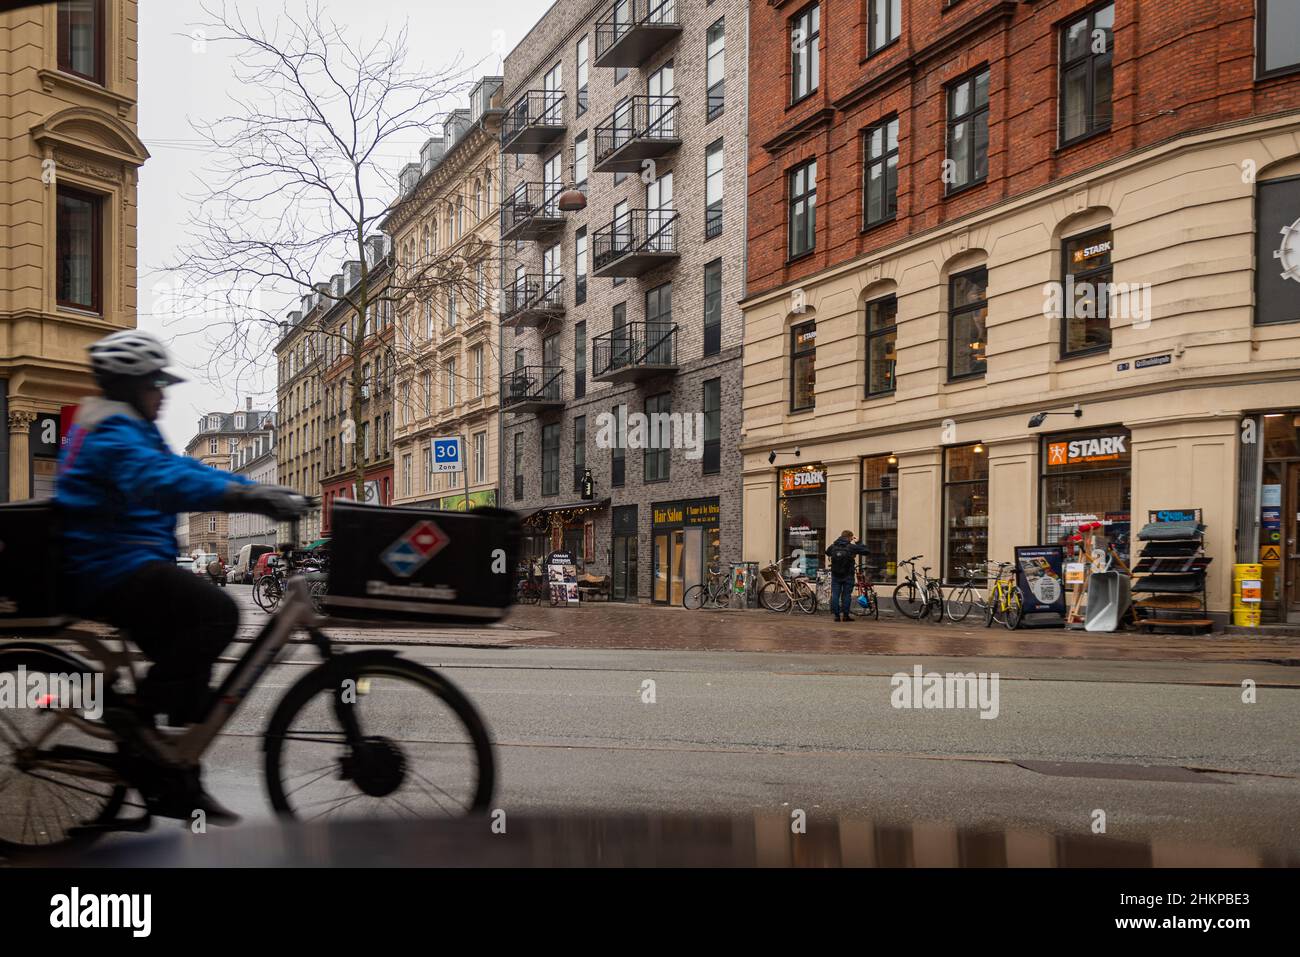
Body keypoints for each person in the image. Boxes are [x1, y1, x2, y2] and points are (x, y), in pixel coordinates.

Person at [56, 329, 307, 824]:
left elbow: (186, 471)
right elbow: (162, 480)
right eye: (155, 384)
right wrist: (249, 496)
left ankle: (175, 777)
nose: (162, 393)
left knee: (191, 666)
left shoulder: (131, 429)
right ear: (131, 387)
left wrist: (258, 489)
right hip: (104, 567)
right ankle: (136, 730)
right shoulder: (113, 434)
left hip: (124, 562)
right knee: (215, 613)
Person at [825, 530, 870, 622]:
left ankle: (837, 616)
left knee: (835, 595)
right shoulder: (851, 547)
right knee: (846, 595)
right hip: (848, 575)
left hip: (835, 574)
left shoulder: (833, 546)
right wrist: (858, 542)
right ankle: (845, 616)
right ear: (850, 537)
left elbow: (827, 552)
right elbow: (866, 551)